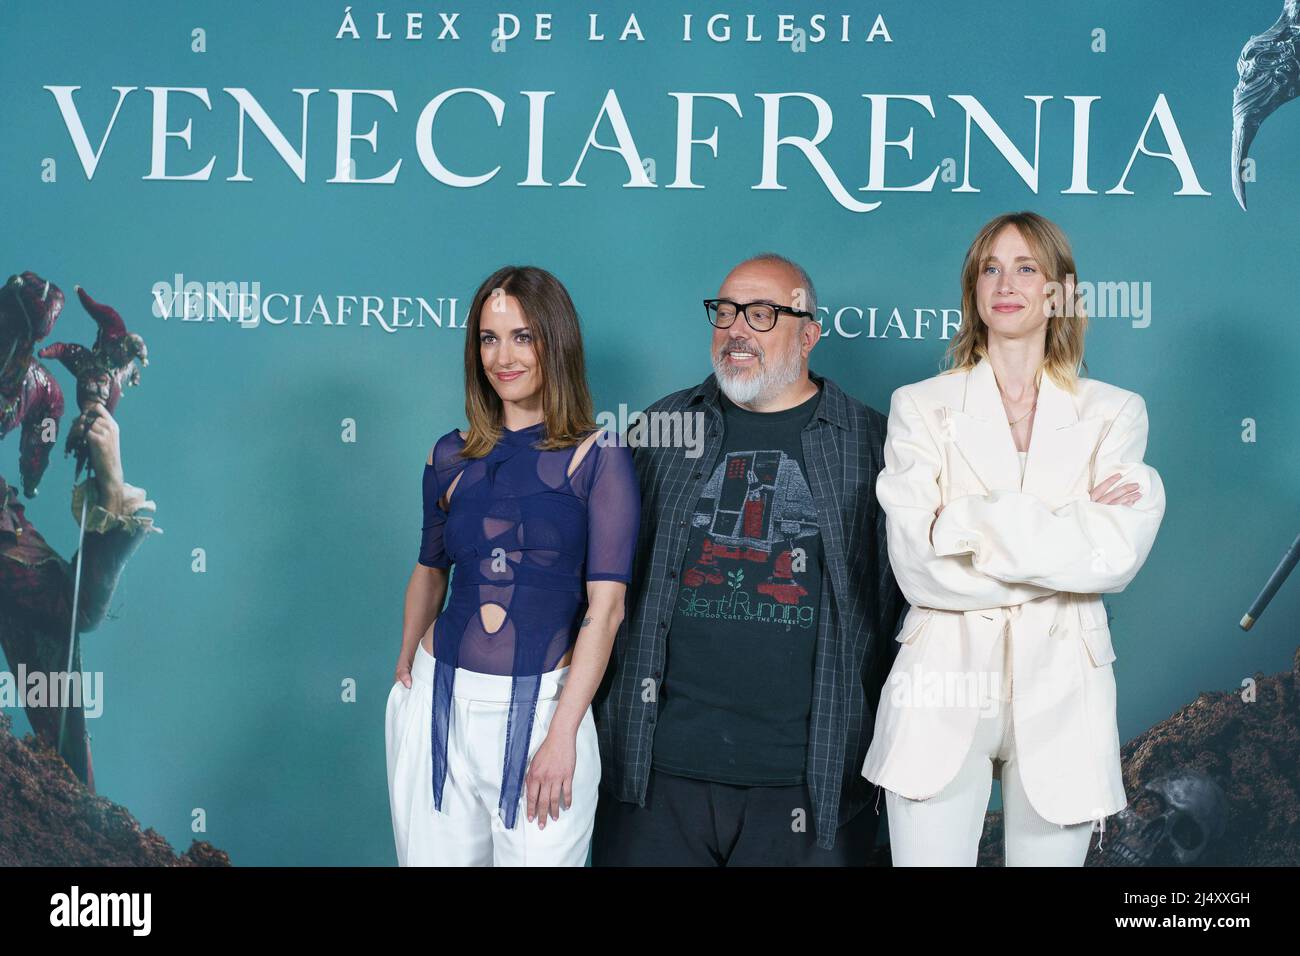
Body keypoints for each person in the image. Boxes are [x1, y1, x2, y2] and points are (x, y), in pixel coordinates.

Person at [861, 211, 1166, 866]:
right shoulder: (919, 406)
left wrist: (965, 520)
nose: (1005, 281)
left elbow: (1111, 557)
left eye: (1026, 266)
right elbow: (919, 568)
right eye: (990, 267)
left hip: (1066, 691)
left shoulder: (1114, 412)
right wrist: (1064, 529)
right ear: (973, 287)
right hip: (939, 687)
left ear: (1059, 288)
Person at [592, 253, 907, 865]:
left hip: (810, 787)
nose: (737, 328)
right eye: (726, 311)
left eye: (762, 314)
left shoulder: (873, 443)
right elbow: (603, 582)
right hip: (656, 777)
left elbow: (899, 608)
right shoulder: (662, 427)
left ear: (809, 334)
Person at [384, 265, 639, 866]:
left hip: (548, 708)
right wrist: (404, 664)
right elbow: (430, 568)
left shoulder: (599, 458)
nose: (503, 356)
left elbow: (606, 611)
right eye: (488, 338)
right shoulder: (448, 454)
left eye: (523, 336)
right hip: (436, 699)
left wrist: (563, 735)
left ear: (557, 341)